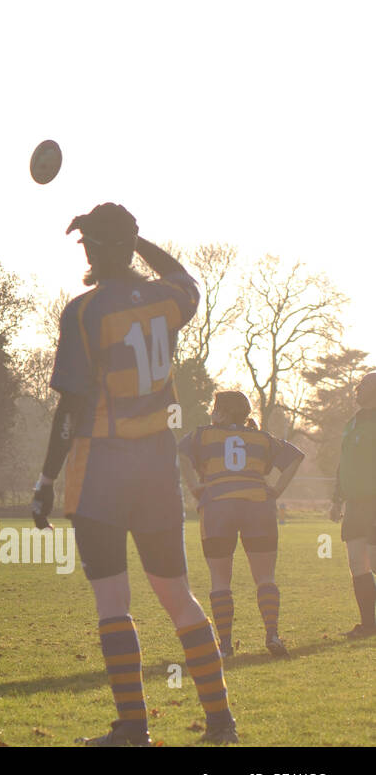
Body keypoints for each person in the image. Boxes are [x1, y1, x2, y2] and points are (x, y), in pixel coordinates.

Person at [32, 203, 235, 745]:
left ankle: (133, 730)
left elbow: (71, 407)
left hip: (101, 466)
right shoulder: (166, 301)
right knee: (179, 596)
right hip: (157, 468)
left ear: (95, 249)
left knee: (112, 602)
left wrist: (46, 479)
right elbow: (185, 278)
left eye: (86, 245)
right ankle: (221, 723)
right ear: (132, 245)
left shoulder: (85, 311)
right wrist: (136, 241)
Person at [178, 390, 303, 658]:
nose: (211, 413)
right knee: (265, 577)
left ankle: (224, 646)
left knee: (220, 579)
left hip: (217, 507)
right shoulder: (261, 438)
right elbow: (295, 457)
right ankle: (272, 635)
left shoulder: (202, 434)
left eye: (214, 408)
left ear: (222, 413)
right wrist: (277, 490)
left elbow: (182, 452)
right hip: (258, 505)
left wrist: (194, 486)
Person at [331, 372, 376, 638]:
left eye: (362, 387)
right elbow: (343, 463)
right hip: (355, 505)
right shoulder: (352, 423)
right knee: (357, 563)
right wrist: (337, 499)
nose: (357, 392)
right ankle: (369, 625)